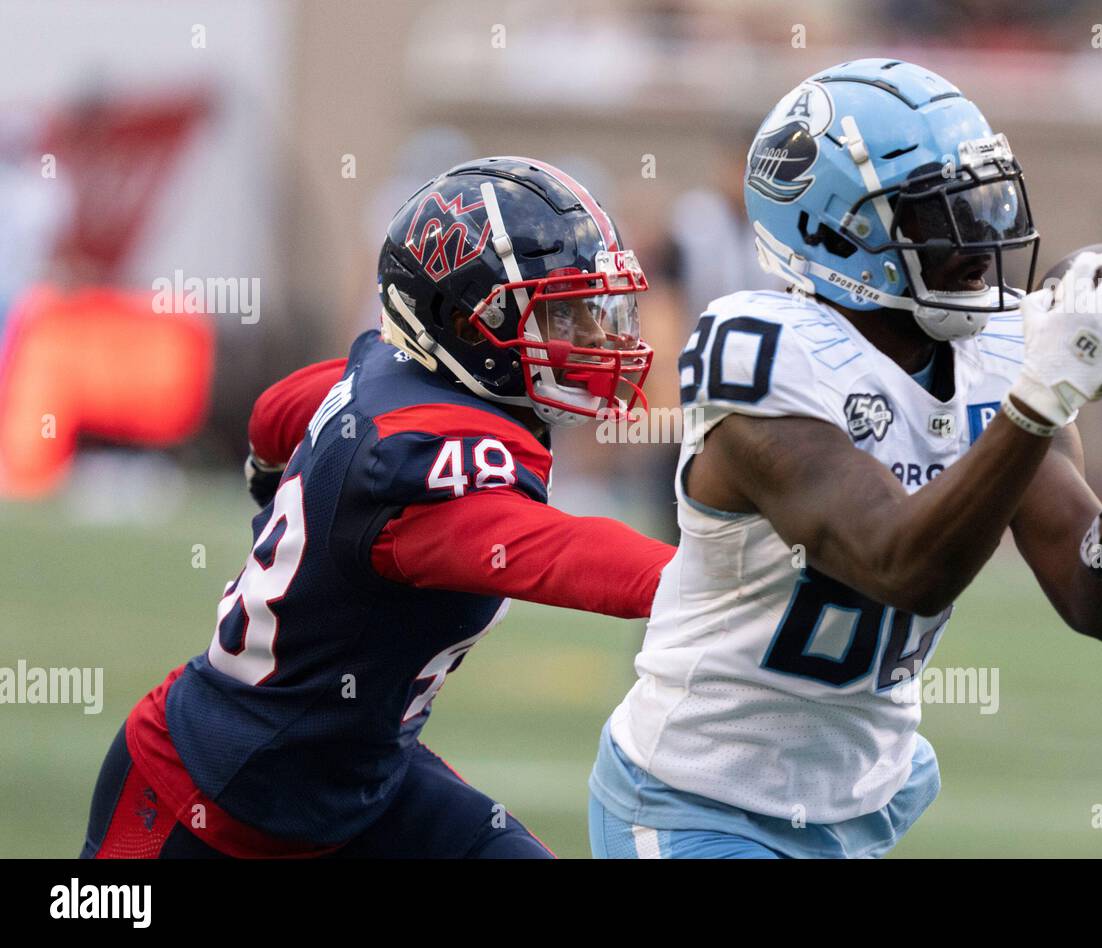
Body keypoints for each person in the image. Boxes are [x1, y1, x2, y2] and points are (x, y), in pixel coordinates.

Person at [588, 59, 1102, 859]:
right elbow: (900, 564)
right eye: (938, 215)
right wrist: (1040, 398)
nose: (981, 239)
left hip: (860, 802)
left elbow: (1099, 598)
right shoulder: (762, 357)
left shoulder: (992, 355)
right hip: (703, 802)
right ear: (833, 229)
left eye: (986, 202)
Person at [80, 156, 675, 858]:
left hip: (363, 787)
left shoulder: (394, 377)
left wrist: (279, 487)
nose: (597, 340)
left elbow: (279, 410)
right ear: (466, 320)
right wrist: (720, 587)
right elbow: (560, 555)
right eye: (564, 314)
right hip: (203, 797)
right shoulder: (411, 462)